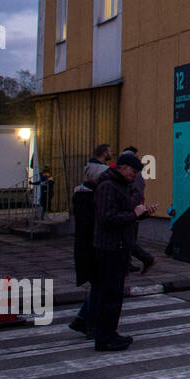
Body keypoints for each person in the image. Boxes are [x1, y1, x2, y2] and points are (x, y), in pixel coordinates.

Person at [90, 152, 155, 351]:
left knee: (114, 294)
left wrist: (141, 214)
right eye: (132, 171)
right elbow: (107, 218)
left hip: (119, 247)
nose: (134, 175)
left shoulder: (121, 185)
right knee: (109, 294)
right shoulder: (108, 186)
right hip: (109, 248)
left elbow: (126, 214)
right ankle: (104, 337)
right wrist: (133, 214)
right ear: (122, 167)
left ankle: (110, 333)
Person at [69, 144, 113, 337]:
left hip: (88, 247)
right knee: (101, 286)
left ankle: (83, 320)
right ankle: (91, 325)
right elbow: (106, 222)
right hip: (96, 247)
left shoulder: (81, 195)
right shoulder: (93, 201)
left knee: (98, 286)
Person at [120, 145, 156, 275]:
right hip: (132, 210)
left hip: (132, 210)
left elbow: (137, 192)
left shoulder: (135, 175)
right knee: (127, 239)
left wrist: (136, 209)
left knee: (128, 239)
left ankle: (144, 259)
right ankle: (128, 263)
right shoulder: (131, 175)